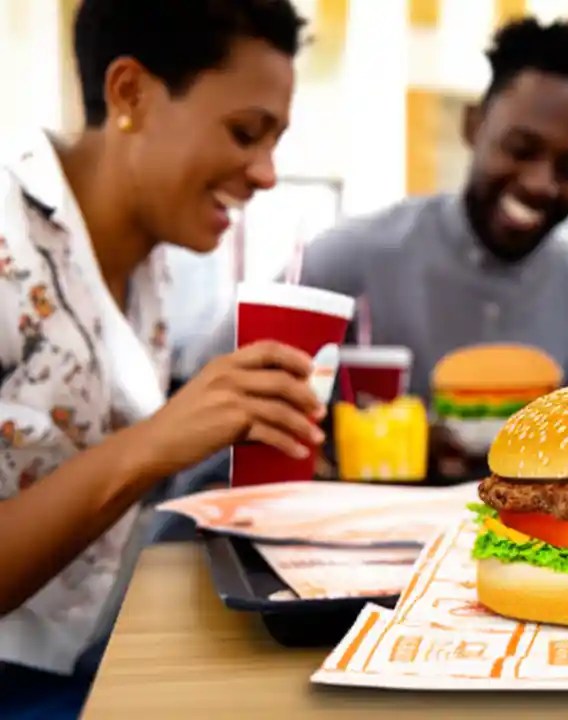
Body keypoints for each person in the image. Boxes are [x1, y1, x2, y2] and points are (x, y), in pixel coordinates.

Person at [0, 1, 319, 715]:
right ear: (130, 93)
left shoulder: (155, 262)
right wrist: (157, 441)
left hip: (99, 652)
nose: (266, 173)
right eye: (245, 133)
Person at [196, 16, 568, 480]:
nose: (542, 183)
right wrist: (359, 456)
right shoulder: (348, 258)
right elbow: (204, 439)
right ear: (473, 126)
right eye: (521, 149)